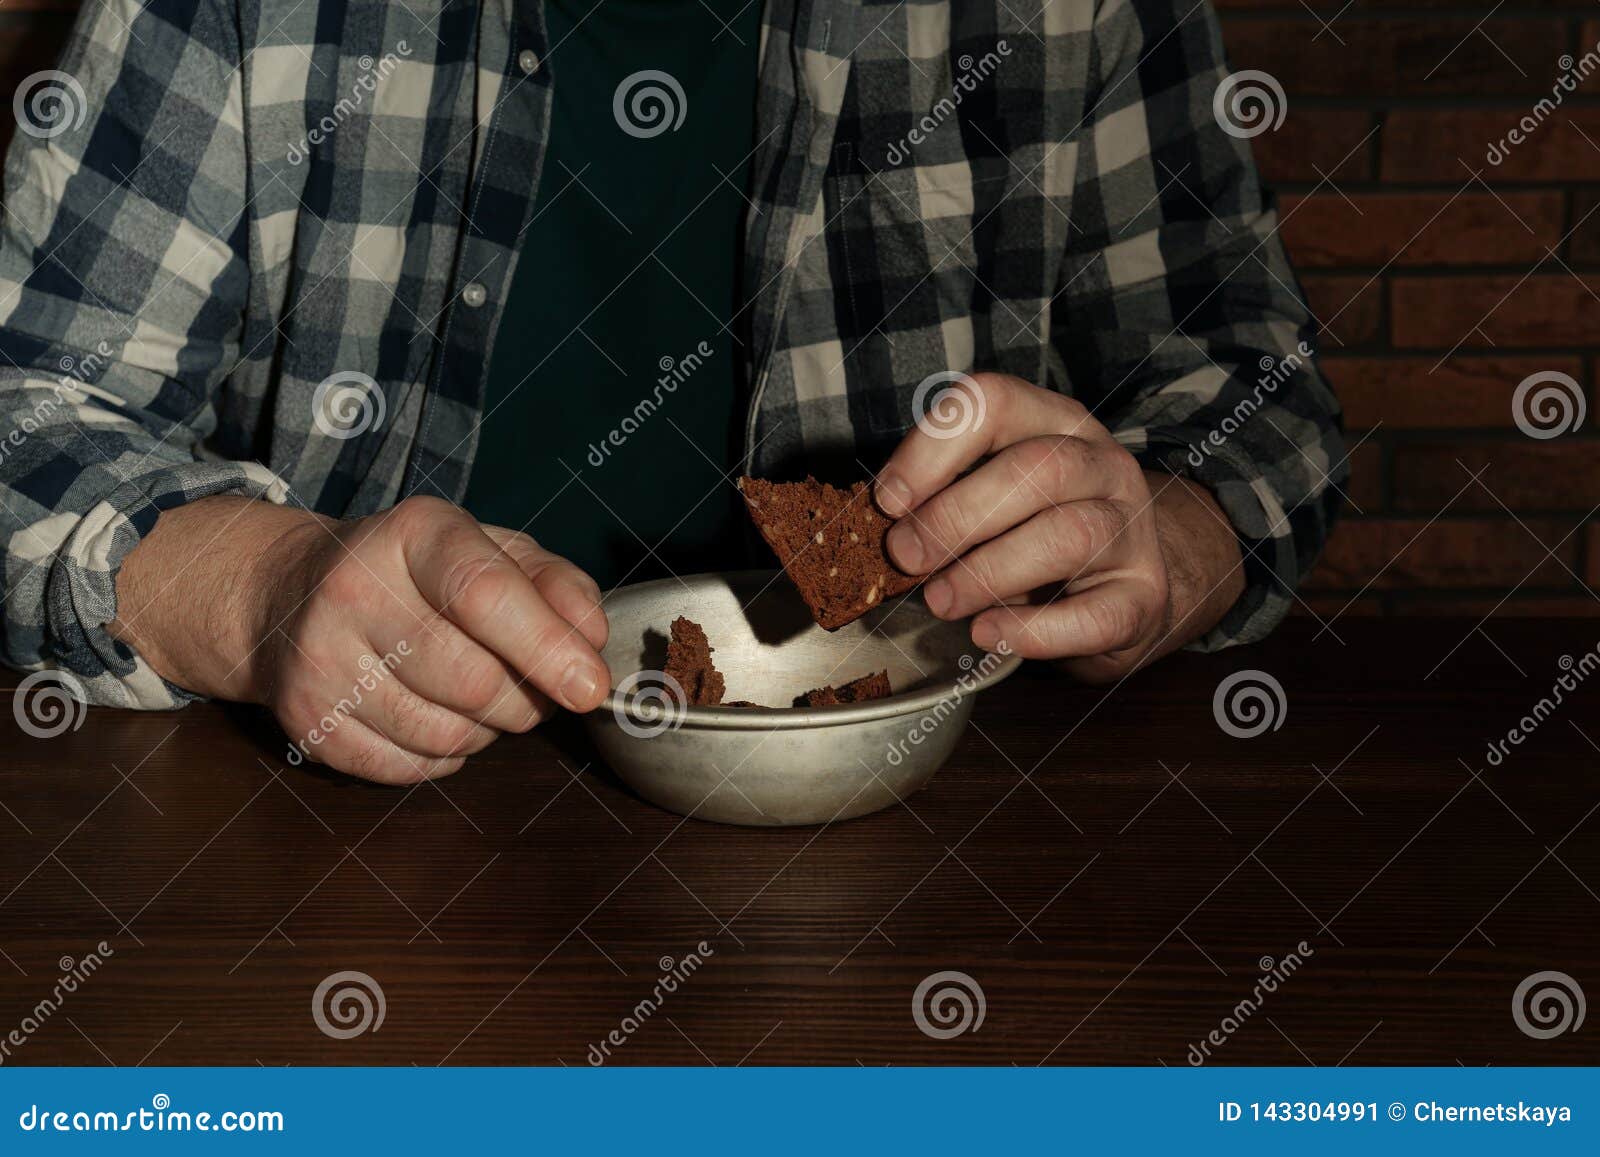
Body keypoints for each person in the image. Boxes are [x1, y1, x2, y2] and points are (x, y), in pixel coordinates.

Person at [0, 0, 1345, 782]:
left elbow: (1255, 392)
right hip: (361, 848)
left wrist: (1163, 535)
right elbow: (23, 402)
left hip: (937, 861)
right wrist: (268, 589)